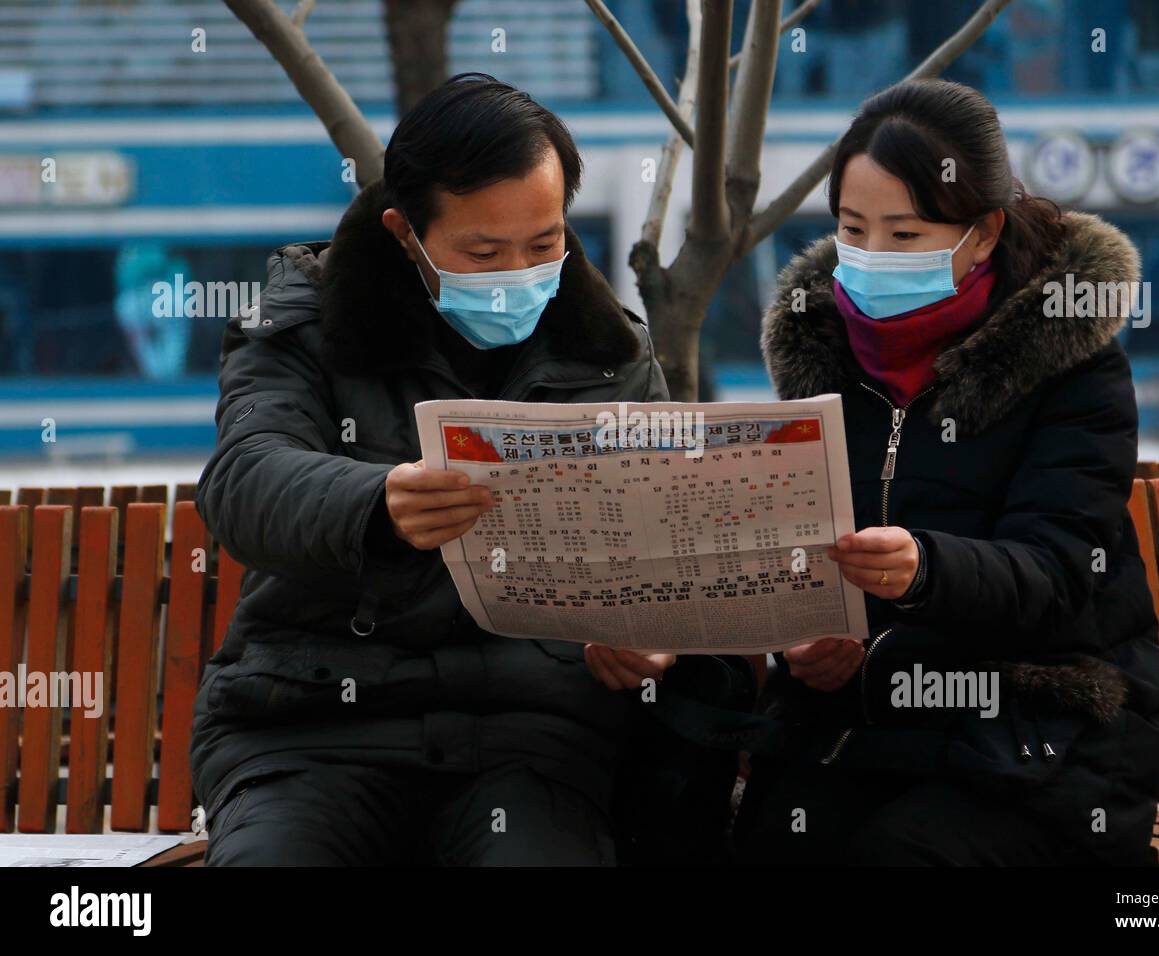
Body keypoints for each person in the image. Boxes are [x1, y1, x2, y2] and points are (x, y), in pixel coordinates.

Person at [190, 73, 748, 866]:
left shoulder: (609, 355)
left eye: (545, 243)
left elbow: (665, 550)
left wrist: (654, 640)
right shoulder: (307, 322)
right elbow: (243, 481)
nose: (517, 272)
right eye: (483, 251)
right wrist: (374, 501)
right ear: (403, 231)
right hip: (313, 729)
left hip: (531, 739)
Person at [733, 78, 1159, 865]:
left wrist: (925, 570)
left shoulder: (1073, 369)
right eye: (852, 229)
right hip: (867, 723)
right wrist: (801, 639)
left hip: (1044, 729)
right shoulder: (823, 363)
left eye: (904, 234)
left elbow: (1060, 569)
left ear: (982, 231)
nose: (870, 258)